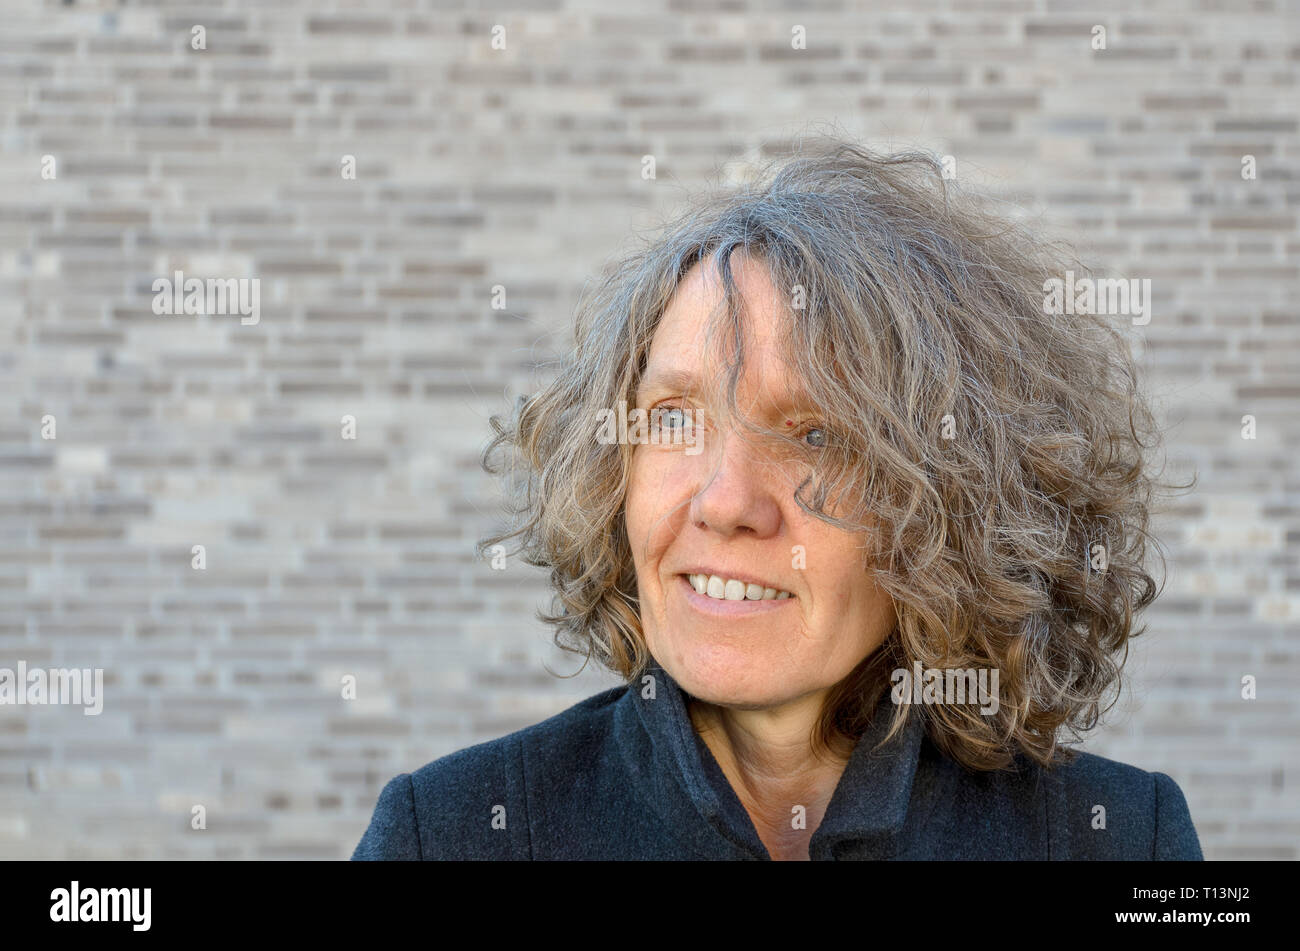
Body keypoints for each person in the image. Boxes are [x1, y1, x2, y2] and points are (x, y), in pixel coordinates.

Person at [352, 139, 1202, 860]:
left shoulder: (1122, 838)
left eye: (816, 434)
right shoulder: (451, 835)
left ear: (957, 508)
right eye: (676, 418)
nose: (725, 502)